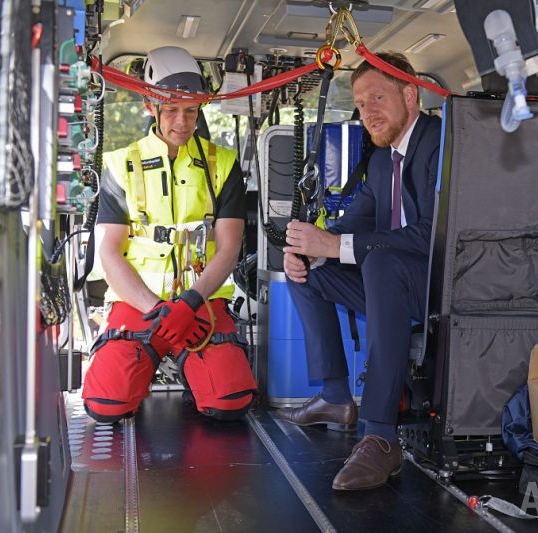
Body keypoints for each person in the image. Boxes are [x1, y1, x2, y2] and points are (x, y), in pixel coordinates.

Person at [277, 52, 441, 490]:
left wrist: (337, 244)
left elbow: (434, 236)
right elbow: (356, 223)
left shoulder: (441, 144)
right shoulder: (382, 159)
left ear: (411, 94)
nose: (368, 112)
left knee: (380, 260)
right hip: (391, 284)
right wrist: (314, 249)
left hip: (440, 286)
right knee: (301, 269)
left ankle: (380, 435)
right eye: (361, 103)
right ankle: (334, 396)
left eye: (378, 98)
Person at [82, 46, 256, 423]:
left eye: (191, 110)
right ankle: (144, 366)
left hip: (203, 302)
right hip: (139, 304)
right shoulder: (119, 164)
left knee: (231, 402)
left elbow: (228, 248)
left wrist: (190, 302)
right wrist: (158, 310)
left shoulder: (223, 165)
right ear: (150, 106)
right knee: (105, 407)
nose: (182, 121)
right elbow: (109, 253)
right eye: (173, 110)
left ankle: (197, 372)